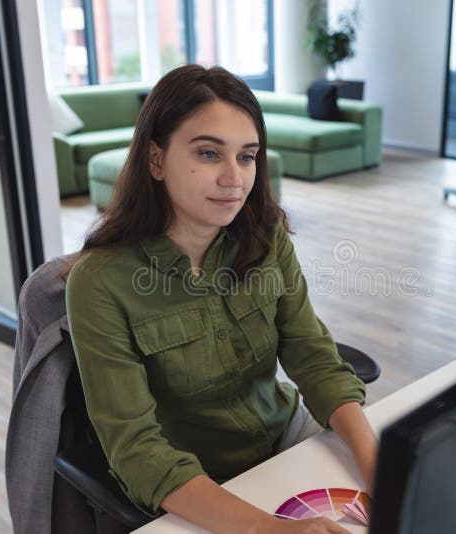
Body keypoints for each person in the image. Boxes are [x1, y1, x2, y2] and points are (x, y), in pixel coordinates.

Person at [65, 64, 378, 534]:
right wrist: (268, 529)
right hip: (198, 484)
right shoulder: (100, 282)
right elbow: (136, 450)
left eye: (247, 156)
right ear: (155, 160)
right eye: (209, 153)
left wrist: (380, 464)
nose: (235, 178)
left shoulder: (266, 235)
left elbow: (312, 356)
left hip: (286, 434)